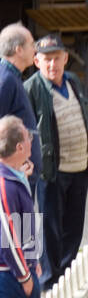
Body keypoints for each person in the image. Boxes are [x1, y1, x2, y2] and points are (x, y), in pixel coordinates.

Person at [24, 35, 88, 286]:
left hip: (80, 166)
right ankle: (50, 279)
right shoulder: (31, 89)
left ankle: (67, 272)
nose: (52, 65)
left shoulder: (73, 81)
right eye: (46, 60)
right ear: (36, 61)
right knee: (49, 228)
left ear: (65, 58)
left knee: (74, 224)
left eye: (56, 59)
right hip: (53, 171)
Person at [0, 117, 41, 298]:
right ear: (19, 146)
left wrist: (35, 261)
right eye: (28, 137)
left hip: (23, 269)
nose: (31, 140)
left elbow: (26, 223)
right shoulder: (4, 185)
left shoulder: (14, 174)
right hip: (12, 277)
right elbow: (7, 237)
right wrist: (25, 277)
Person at [0, 25, 42, 185]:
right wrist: (14, 166)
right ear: (19, 50)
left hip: (22, 172)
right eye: (32, 44)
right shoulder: (5, 81)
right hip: (16, 175)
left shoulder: (12, 76)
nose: (35, 49)